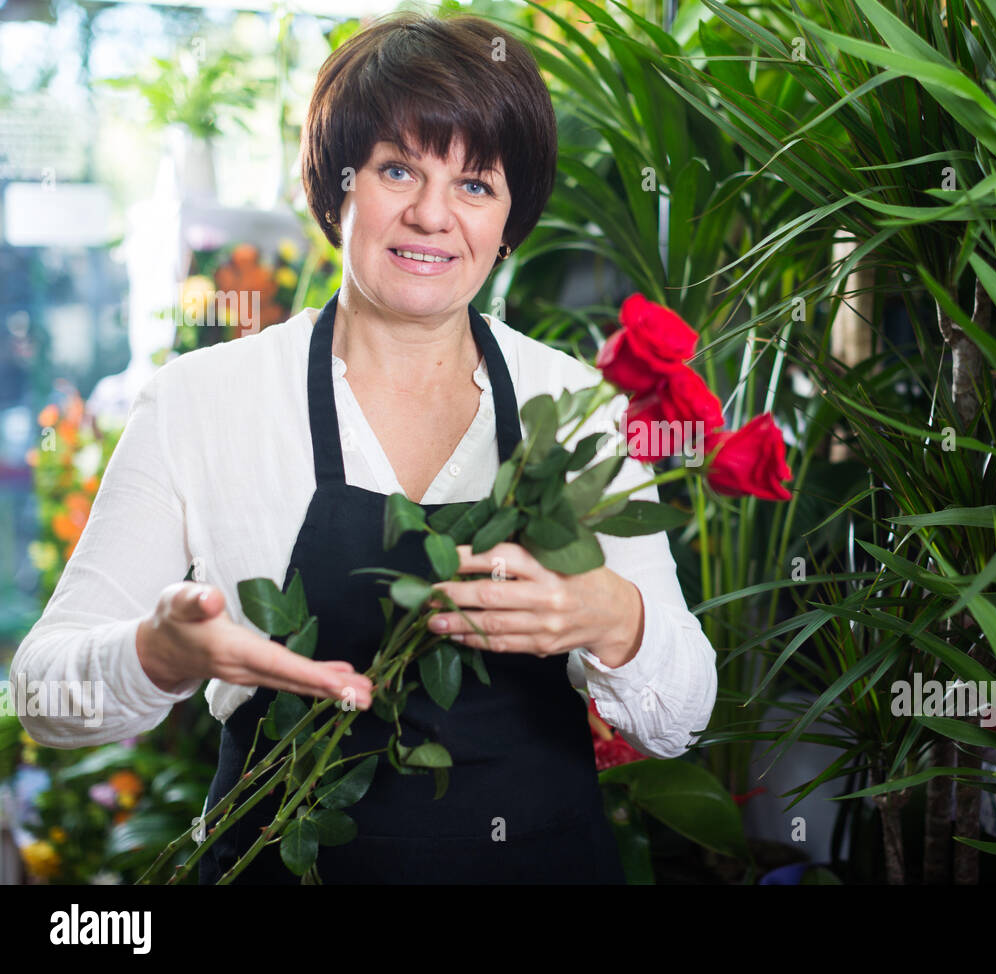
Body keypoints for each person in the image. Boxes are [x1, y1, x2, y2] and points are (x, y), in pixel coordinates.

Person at [12, 12, 717, 884]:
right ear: (336, 187)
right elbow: (42, 694)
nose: (431, 215)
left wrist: (619, 619)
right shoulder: (203, 402)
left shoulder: (571, 409)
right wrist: (157, 653)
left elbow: (682, 717)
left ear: (511, 217)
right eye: (397, 169)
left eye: (475, 185)